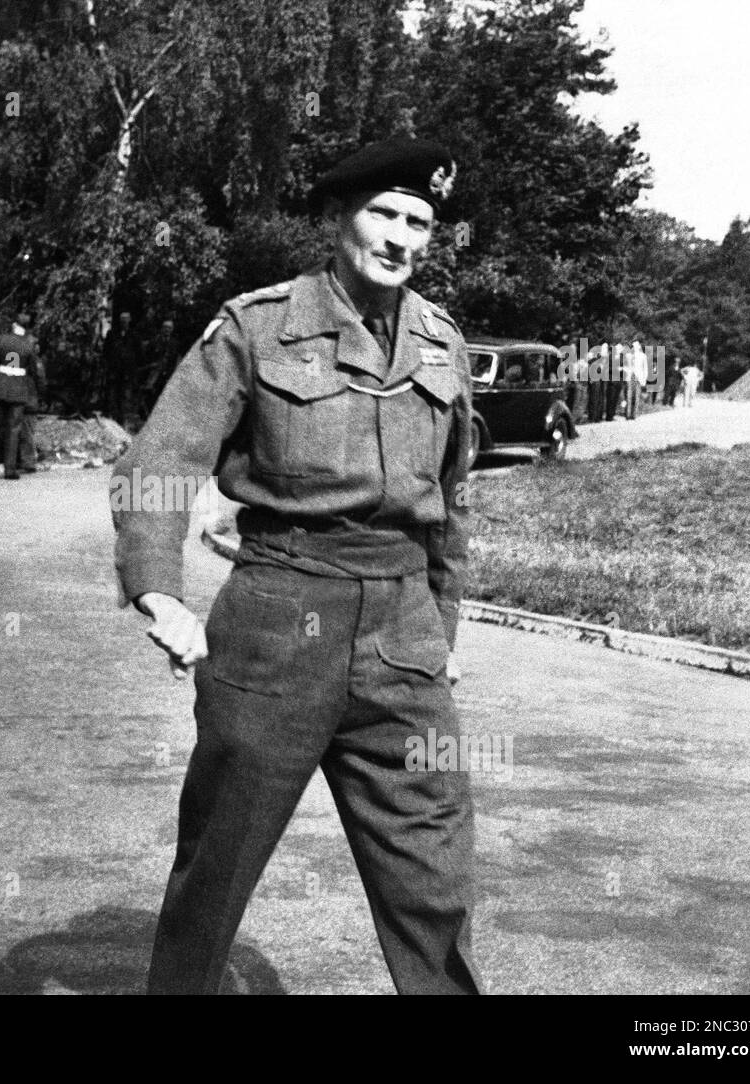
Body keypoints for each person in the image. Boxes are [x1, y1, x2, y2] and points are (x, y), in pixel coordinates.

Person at [111, 138, 481, 995]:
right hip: (279, 617)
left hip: (402, 640)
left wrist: (444, 629)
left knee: (434, 874)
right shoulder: (258, 324)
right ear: (336, 218)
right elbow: (159, 459)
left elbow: (451, 503)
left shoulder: (441, 344)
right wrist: (159, 590)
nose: (401, 238)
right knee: (218, 867)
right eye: (384, 214)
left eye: (419, 222)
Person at [0, 313, 43, 479]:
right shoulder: (28, 346)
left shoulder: (2, 339)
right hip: (18, 391)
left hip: (0, 387)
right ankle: (9, 469)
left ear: (14, 325)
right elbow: (35, 371)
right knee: (13, 430)